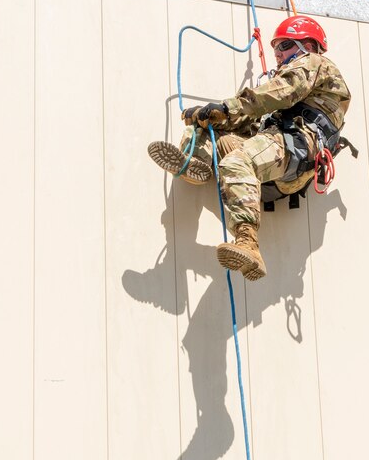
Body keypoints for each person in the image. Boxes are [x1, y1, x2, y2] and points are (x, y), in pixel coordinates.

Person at [147, 16, 351, 280]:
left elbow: (278, 93)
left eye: (285, 45)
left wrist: (226, 107)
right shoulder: (283, 86)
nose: (278, 53)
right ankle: (195, 163)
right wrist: (211, 115)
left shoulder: (314, 64)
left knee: (236, 160)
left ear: (309, 46)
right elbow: (251, 117)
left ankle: (248, 242)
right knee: (208, 129)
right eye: (275, 48)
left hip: (296, 148)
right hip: (273, 156)